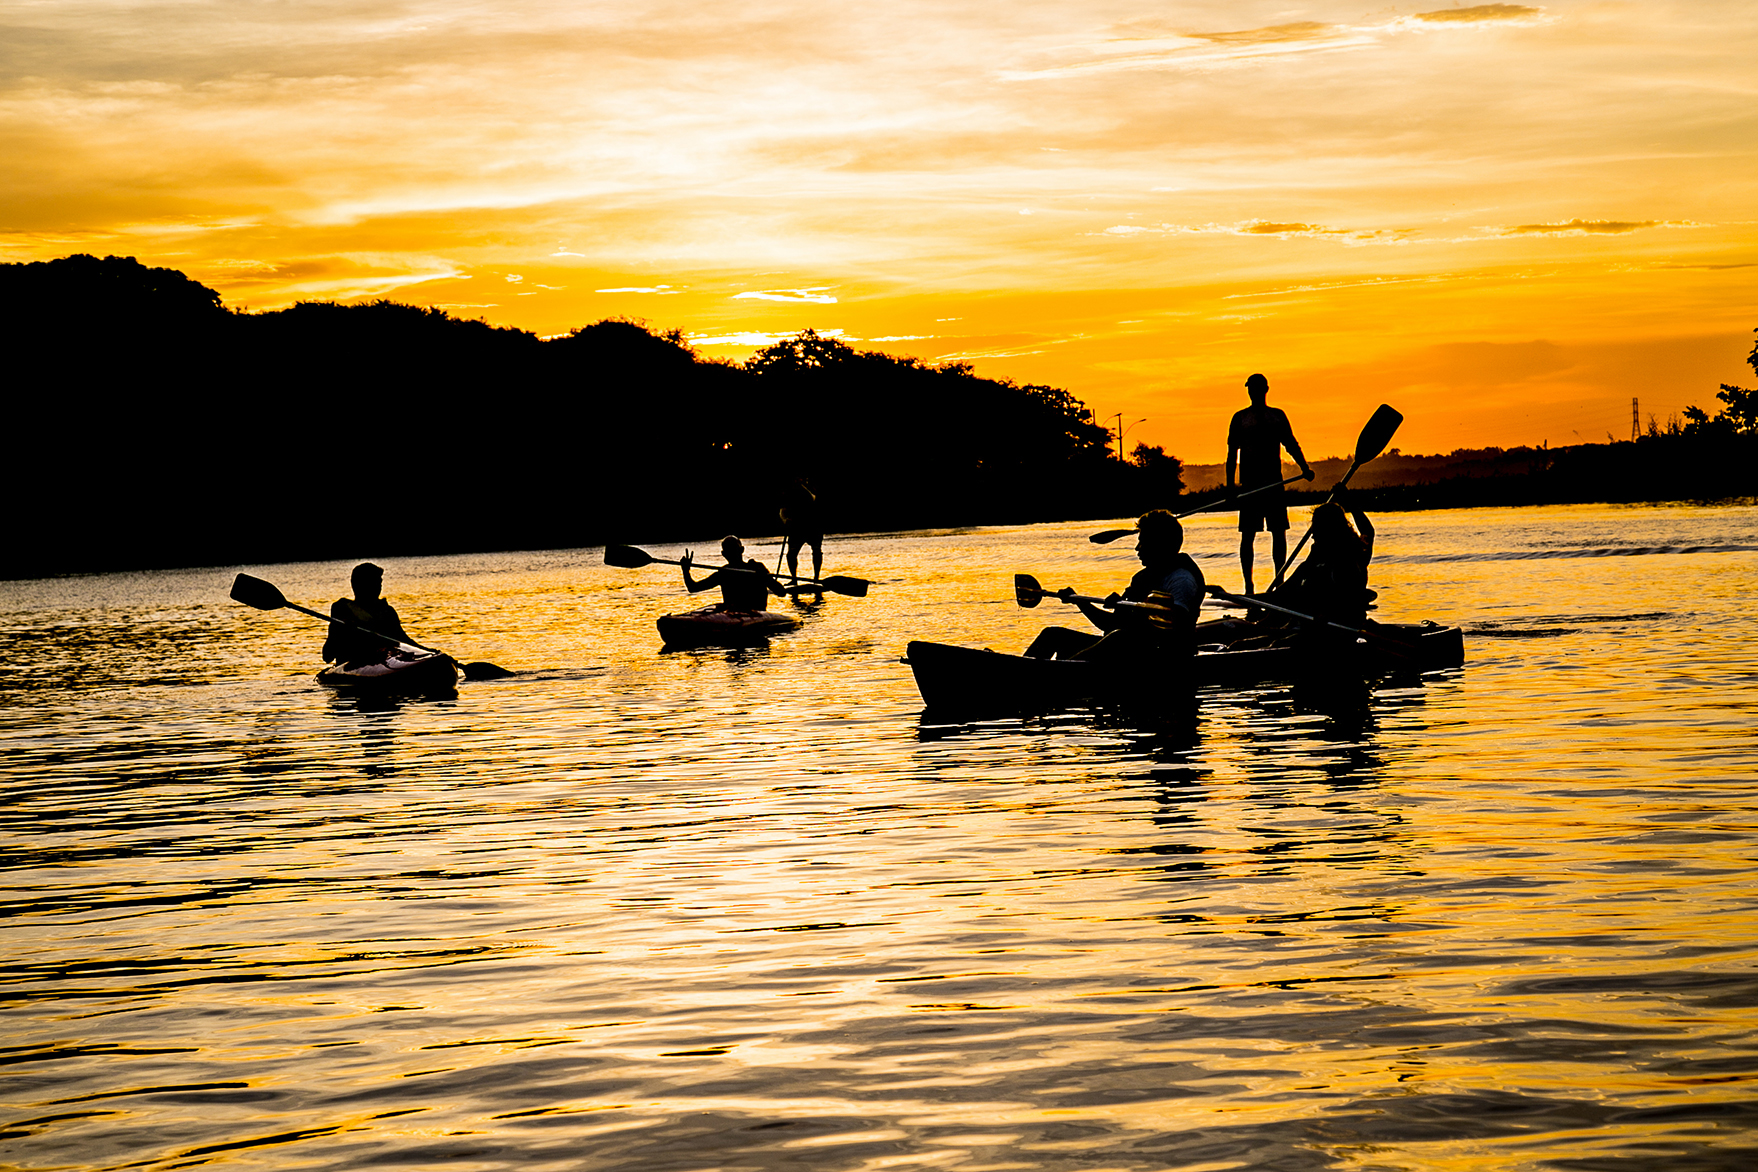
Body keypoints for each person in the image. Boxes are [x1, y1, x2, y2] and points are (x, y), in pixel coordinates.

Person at [1024, 509, 1205, 663]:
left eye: (1143, 542)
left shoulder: (1182, 580)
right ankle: (1027, 670)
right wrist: (1081, 602)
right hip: (1129, 649)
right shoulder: (1143, 578)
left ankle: (1058, 673)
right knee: (1053, 635)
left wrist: (1136, 611)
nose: (1137, 549)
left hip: (1163, 658)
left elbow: (1174, 629)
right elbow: (1110, 625)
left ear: (1159, 544)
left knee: (1121, 638)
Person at [1226, 373, 1314, 594]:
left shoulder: (1277, 416)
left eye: (1256, 388)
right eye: (1251, 389)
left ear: (1265, 390)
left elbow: (1291, 444)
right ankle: (1249, 586)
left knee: (1278, 532)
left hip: (1273, 484)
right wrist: (1230, 487)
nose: (1253, 392)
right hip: (1250, 486)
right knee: (1248, 535)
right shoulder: (1240, 418)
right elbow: (1231, 454)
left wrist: (1304, 468)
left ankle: (1280, 581)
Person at [1274, 496, 1376, 629]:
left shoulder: (1352, 555)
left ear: (1329, 529)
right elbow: (1279, 594)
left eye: (1316, 526)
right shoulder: (1313, 559)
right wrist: (1244, 599)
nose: (1312, 534)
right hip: (1309, 626)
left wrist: (1348, 502)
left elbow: (1368, 531)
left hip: (1338, 629)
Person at [322, 562, 414, 665]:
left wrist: (430, 653)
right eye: (372, 583)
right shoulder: (342, 611)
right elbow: (327, 657)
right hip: (354, 666)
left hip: (385, 662)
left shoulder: (387, 612)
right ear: (357, 586)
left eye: (379, 582)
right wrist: (341, 630)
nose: (378, 587)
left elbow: (404, 641)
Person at [681, 535, 787, 611]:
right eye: (729, 550)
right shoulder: (723, 573)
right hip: (732, 615)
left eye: (734, 549)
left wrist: (765, 576)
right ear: (724, 554)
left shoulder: (755, 568)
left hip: (756, 613)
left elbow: (781, 592)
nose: (732, 553)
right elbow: (693, 588)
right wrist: (686, 571)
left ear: (741, 550)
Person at [779, 477, 823, 581]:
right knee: (791, 555)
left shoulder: (810, 488)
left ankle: (816, 577)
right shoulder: (788, 492)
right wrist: (785, 520)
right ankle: (794, 578)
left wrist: (802, 486)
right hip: (796, 528)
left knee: (816, 551)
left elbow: (813, 498)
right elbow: (782, 510)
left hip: (812, 526)